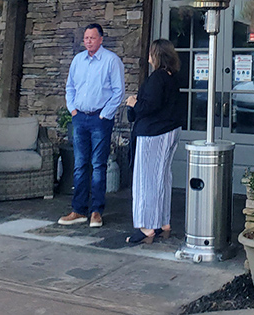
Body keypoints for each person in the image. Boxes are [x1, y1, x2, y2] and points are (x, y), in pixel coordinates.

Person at [58, 23, 125, 228]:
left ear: (101, 39)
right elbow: (70, 87)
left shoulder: (111, 61)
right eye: (86, 38)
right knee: (79, 165)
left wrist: (104, 115)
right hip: (80, 118)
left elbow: (118, 91)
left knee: (98, 165)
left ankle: (96, 211)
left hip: (99, 119)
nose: (88, 41)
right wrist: (73, 110)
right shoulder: (78, 60)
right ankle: (78, 210)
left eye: (92, 38)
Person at [125, 38, 184, 244]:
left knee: (146, 180)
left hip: (152, 133)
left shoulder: (156, 79)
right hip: (170, 130)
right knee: (162, 178)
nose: (148, 56)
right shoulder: (173, 77)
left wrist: (133, 102)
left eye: (151, 52)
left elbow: (147, 107)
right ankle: (162, 222)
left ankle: (146, 226)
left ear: (156, 55)